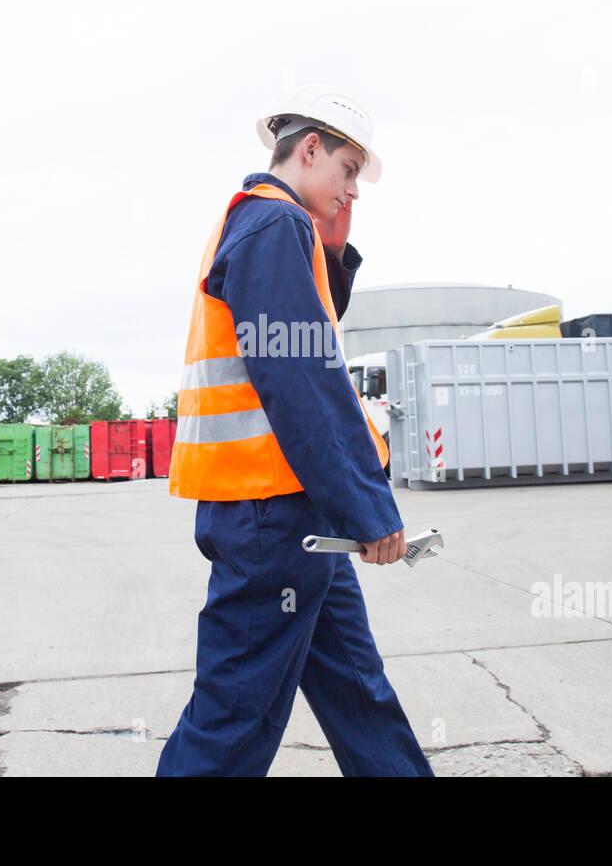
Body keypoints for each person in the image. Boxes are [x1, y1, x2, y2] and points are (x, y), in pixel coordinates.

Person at [157, 85, 433, 776]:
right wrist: (368, 509)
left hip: (288, 514)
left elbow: (300, 342)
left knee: (357, 693)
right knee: (233, 719)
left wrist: (334, 250)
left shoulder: (275, 231)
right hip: (270, 521)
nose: (354, 191)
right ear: (309, 150)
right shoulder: (273, 226)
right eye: (347, 170)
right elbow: (302, 385)